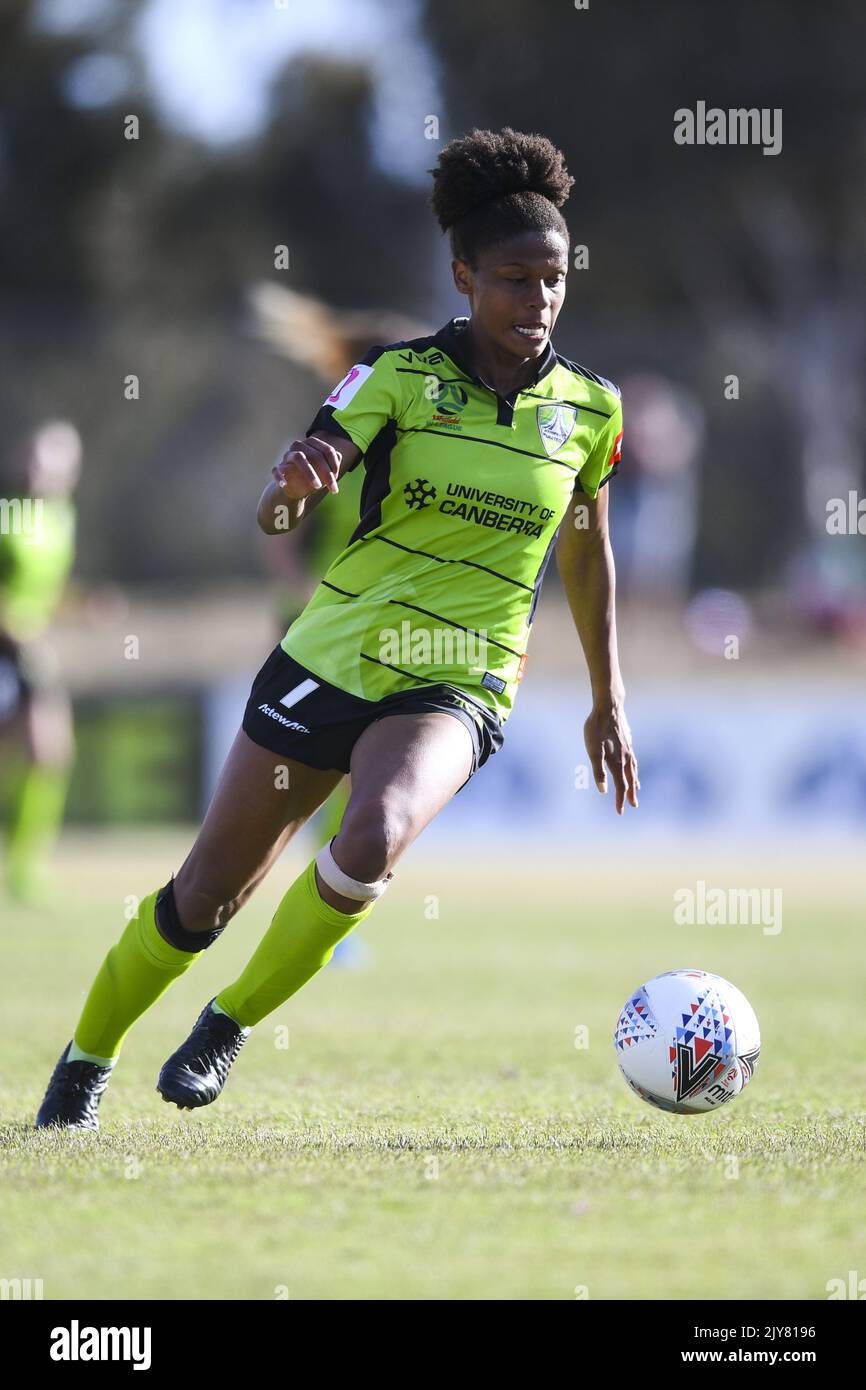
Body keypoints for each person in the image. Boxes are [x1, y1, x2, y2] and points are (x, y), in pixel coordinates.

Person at [35, 127, 638, 1130]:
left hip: (463, 673)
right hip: (332, 653)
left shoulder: (588, 410)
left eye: (554, 280)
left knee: (375, 833)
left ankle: (226, 1025)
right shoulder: (397, 376)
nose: (537, 302)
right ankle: (84, 1061)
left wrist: (607, 696)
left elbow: (586, 552)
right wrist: (288, 492)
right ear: (463, 275)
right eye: (514, 280)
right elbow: (282, 505)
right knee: (201, 901)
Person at [1, 421, 81, 905]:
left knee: (49, 750)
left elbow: (45, 596)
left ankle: (26, 868)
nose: (36, 471)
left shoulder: (62, 519)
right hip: (8, 646)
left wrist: (84, 605)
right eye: (30, 458)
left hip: (24, 652)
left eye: (47, 462)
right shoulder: (8, 512)